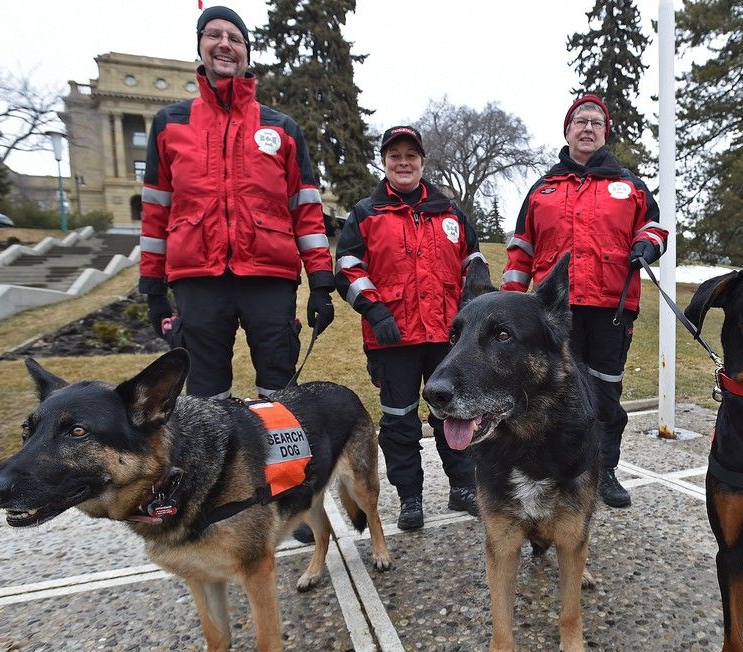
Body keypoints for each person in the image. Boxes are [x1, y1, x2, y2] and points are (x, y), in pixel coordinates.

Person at [138, 5, 335, 402]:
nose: (224, 44)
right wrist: (153, 288)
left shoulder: (282, 128)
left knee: (280, 390)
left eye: (235, 38)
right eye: (214, 35)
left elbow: (306, 211)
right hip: (198, 278)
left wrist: (321, 283)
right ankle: (215, 447)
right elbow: (156, 211)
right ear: (200, 45)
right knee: (205, 395)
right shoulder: (169, 124)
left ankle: (282, 444)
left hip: (269, 276)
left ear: (247, 52)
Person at [502, 94, 668, 509]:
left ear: (605, 133)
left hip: (612, 308)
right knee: (555, 391)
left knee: (605, 395)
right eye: (580, 121)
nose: (588, 127)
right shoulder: (542, 189)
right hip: (554, 313)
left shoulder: (630, 186)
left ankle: (603, 470)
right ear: (568, 131)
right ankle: (553, 469)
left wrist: (647, 245)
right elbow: (521, 248)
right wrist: (508, 306)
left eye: (596, 122)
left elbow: (654, 227)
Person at [334, 125, 484, 530]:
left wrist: (471, 309)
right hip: (392, 339)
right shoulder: (366, 213)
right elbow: (347, 269)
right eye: (395, 156)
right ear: (384, 162)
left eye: (411, 156)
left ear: (422, 162)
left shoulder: (449, 212)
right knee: (399, 421)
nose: (403, 162)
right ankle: (410, 498)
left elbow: (473, 262)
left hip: (448, 340)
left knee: (456, 414)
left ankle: (463, 486)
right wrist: (376, 311)